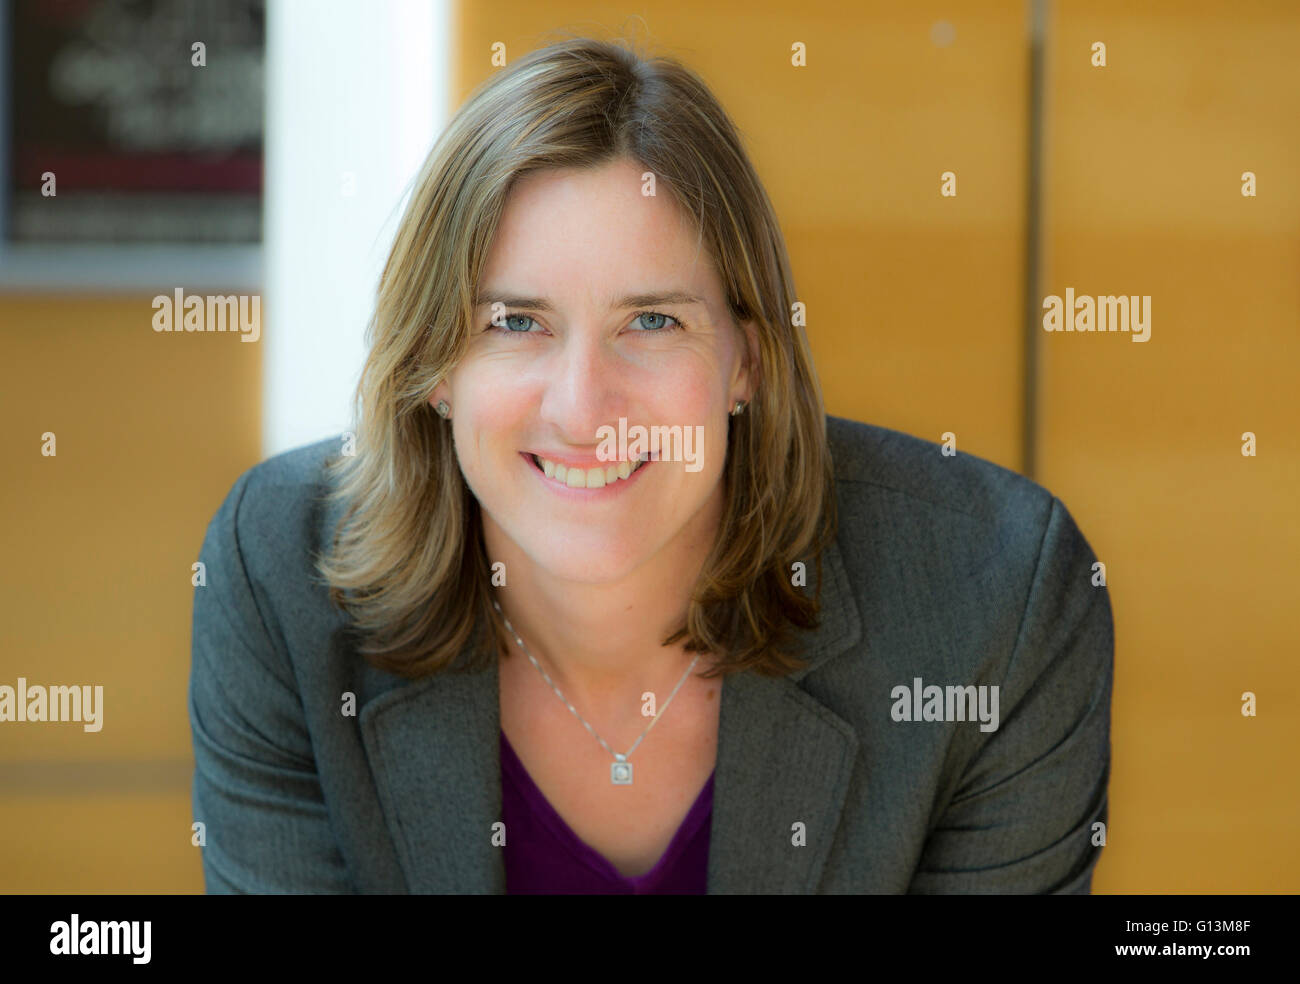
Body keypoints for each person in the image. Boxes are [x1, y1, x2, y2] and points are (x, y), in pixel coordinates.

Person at [189, 36, 1113, 894]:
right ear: (435, 365)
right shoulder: (279, 577)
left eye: (653, 322)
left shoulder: (995, 604)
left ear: (747, 362)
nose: (583, 407)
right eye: (517, 323)